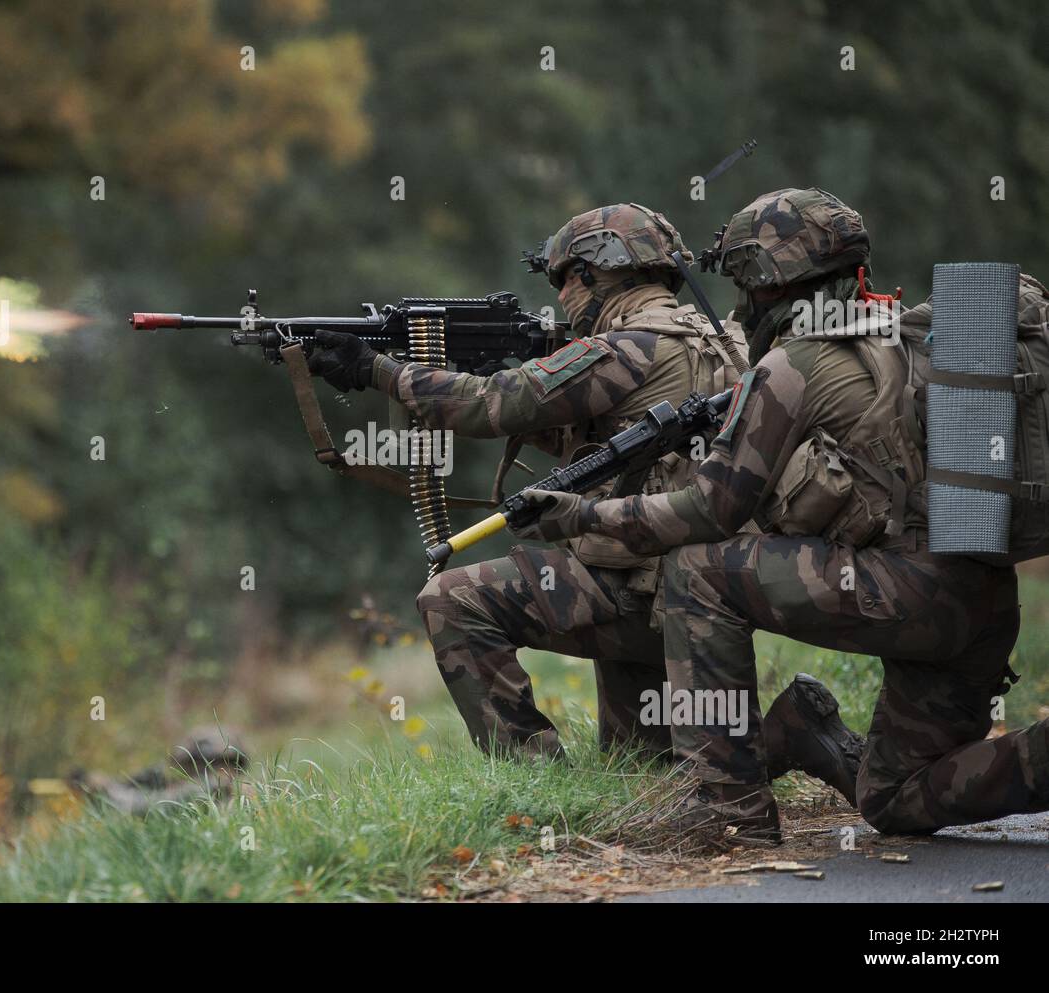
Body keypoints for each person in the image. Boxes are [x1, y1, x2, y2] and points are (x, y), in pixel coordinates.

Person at [511, 187, 1048, 840]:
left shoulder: (796, 363)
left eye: (744, 282)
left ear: (765, 284)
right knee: (893, 797)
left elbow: (709, 509)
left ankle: (729, 812)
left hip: (912, 596)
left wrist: (580, 515)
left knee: (700, 571)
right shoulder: (909, 331)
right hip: (983, 600)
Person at [308, 203, 865, 806]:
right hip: (704, 594)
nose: (563, 298)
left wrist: (379, 371)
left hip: (634, 584)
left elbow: (495, 405)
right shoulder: (728, 337)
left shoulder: (628, 346)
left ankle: (537, 794)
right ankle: (794, 734)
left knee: (452, 601)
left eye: (564, 280)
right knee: (652, 784)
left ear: (592, 273)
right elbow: (619, 438)